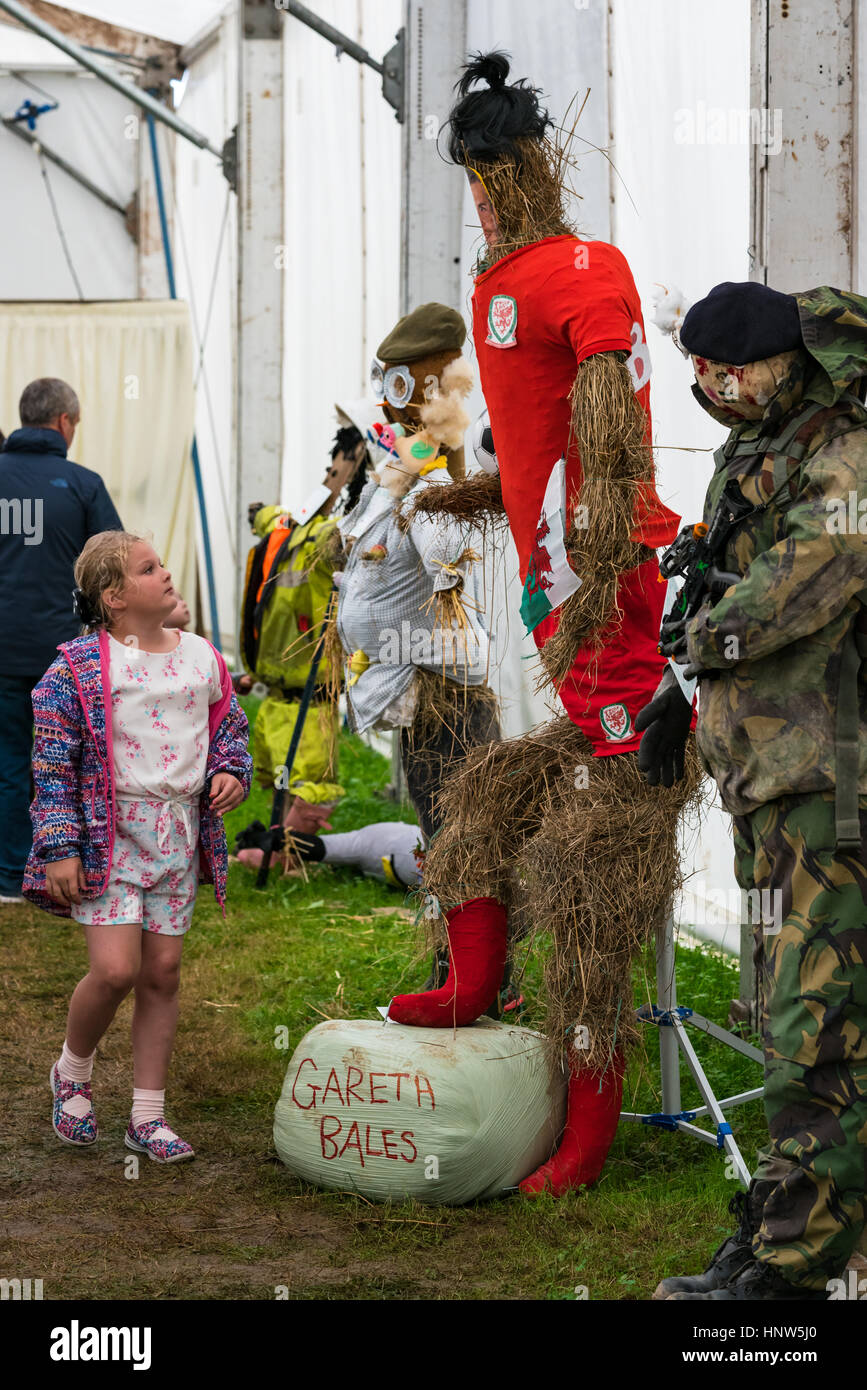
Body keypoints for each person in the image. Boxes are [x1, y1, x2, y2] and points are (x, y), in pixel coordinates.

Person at [388, 53, 702, 1197]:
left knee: (582, 868)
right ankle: (472, 987)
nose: (481, 195)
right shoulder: (503, 277)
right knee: (473, 802)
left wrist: (599, 568)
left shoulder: (578, 269)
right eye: (475, 177)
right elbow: (542, 438)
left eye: (489, 172)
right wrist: (480, 495)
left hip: (613, 616)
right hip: (560, 586)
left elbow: (608, 414)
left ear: (525, 169)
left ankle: (590, 1118)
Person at [644, 281, 867, 1301]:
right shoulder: (758, 442)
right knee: (788, 1005)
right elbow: (716, 583)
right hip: (768, 780)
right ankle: (785, 1229)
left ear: (782, 360)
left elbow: (807, 576)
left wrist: (698, 644)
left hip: (832, 781)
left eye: (725, 370)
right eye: (700, 371)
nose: (708, 387)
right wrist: (673, 696)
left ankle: (796, 1268)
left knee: (813, 1023)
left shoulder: (844, 447)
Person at [22, 531, 253, 1163]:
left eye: (161, 563)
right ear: (114, 597)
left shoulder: (202, 657)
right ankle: (73, 1071)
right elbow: (51, 765)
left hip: (177, 838)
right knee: (117, 970)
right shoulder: (76, 668)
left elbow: (229, 726)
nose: (167, 573)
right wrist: (60, 845)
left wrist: (232, 769)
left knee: (162, 974)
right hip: (109, 840)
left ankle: (147, 1116)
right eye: (149, 569)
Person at [0, 378, 122, 903]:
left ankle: (7, 877)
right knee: (67, 762)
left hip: (2, 652)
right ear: (65, 423)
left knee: (7, 761)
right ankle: (70, 870)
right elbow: (113, 569)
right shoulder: (83, 484)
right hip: (63, 658)